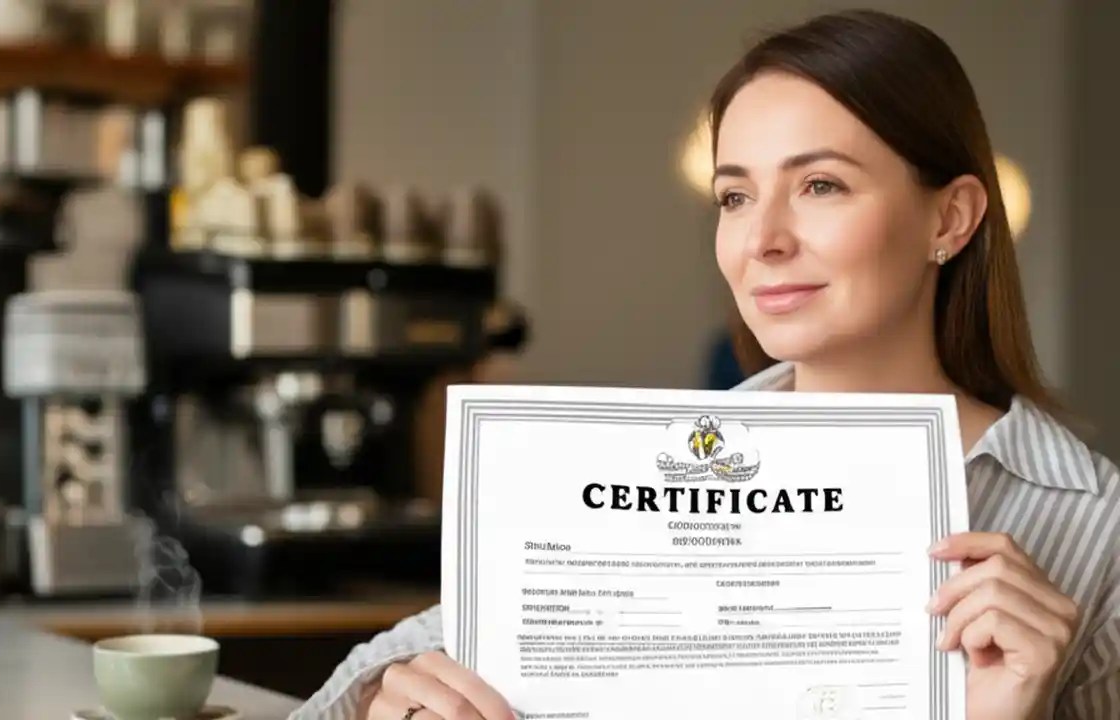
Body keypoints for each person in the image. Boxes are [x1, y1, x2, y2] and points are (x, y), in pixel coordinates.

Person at [291, 9, 1120, 720]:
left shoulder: (1095, 528)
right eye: (735, 196)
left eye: (821, 185)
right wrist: (384, 699)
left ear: (953, 217)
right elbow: (346, 692)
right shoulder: (651, 465)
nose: (762, 240)